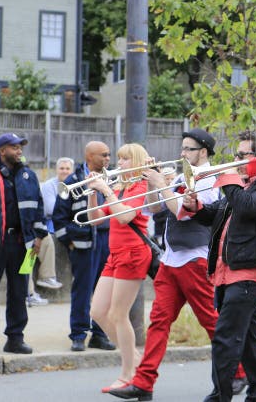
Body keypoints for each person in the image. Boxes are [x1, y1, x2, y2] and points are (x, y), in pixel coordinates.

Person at [109, 128, 247, 400]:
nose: (182, 153)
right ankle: (143, 383)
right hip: (171, 260)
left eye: (188, 149)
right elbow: (155, 209)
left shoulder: (210, 179)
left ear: (203, 152)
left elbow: (185, 214)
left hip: (195, 260)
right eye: (182, 148)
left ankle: (239, 373)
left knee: (212, 321)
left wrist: (161, 183)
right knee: (158, 323)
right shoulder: (183, 176)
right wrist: (152, 183)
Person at [181, 129, 256, 402]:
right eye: (236, 155)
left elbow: (246, 207)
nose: (236, 159)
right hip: (228, 273)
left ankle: (219, 397)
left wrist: (226, 178)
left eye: (242, 155)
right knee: (251, 344)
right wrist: (197, 207)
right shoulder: (243, 186)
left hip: (249, 274)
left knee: (225, 339)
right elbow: (217, 215)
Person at [87, 143, 152, 393]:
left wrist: (105, 190)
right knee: (98, 311)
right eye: (119, 158)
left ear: (135, 163)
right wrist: (93, 192)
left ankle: (128, 374)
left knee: (117, 314)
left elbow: (125, 217)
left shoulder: (140, 186)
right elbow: (95, 219)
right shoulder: (119, 187)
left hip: (133, 254)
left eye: (125, 160)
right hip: (115, 254)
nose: (119, 163)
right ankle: (135, 360)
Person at [0, 133, 44, 356]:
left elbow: (38, 207)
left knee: (19, 293)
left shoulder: (29, 175)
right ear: (2, 151)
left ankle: (15, 339)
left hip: (24, 246)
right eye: (14, 147)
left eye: (20, 147)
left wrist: (38, 236)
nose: (19, 151)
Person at [52, 142, 116, 352]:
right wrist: (69, 242)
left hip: (107, 242)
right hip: (84, 246)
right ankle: (78, 335)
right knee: (82, 291)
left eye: (109, 155)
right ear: (90, 156)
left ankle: (99, 334)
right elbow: (59, 218)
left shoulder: (112, 178)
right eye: (103, 155)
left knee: (104, 293)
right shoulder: (73, 181)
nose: (108, 158)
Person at [27, 158, 73, 302]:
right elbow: (50, 209)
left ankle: (46, 278)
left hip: (36, 228)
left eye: (67, 168)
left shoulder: (27, 186)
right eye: (62, 168)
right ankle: (28, 294)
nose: (64, 171)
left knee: (45, 242)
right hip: (21, 230)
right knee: (27, 253)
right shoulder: (47, 186)